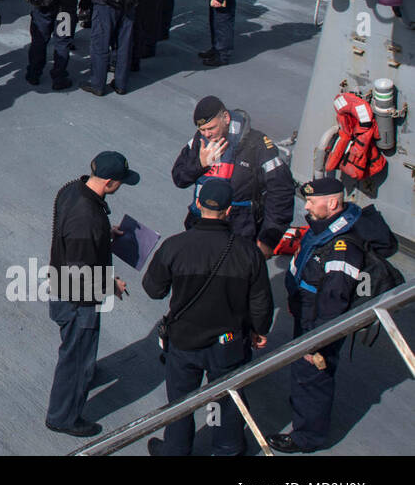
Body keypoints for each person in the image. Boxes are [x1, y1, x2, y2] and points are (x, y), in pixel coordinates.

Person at [142, 179, 273, 456]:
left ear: (199, 205)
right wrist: (260, 331)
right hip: (228, 342)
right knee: (226, 398)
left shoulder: (175, 246)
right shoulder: (248, 252)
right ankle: (228, 448)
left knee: (181, 401)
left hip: (184, 340)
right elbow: (260, 301)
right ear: (229, 211)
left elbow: (153, 289)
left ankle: (176, 450)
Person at [269, 178, 400, 454]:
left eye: (312, 201)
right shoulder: (326, 229)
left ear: (332, 203)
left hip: (318, 319)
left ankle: (307, 437)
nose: (307, 206)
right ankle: (304, 408)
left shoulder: (342, 246)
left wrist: (316, 340)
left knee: (314, 374)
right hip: (307, 309)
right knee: (305, 372)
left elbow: (334, 299)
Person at [46, 151, 137, 438]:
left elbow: (72, 232)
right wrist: (112, 284)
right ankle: (62, 417)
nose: (121, 185)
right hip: (77, 300)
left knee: (76, 347)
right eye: (120, 181)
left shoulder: (73, 189)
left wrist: (104, 232)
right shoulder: (88, 219)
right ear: (109, 182)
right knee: (75, 355)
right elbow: (80, 271)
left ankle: (85, 371)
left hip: (60, 285)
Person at [171, 95, 295, 254]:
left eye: (211, 128)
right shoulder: (199, 142)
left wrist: (268, 240)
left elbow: (281, 191)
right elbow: (179, 179)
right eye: (202, 130)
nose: (207, 134)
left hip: (239, 233)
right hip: (200, 226)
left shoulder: (256, 144)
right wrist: (200, 165)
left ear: (226, 118)